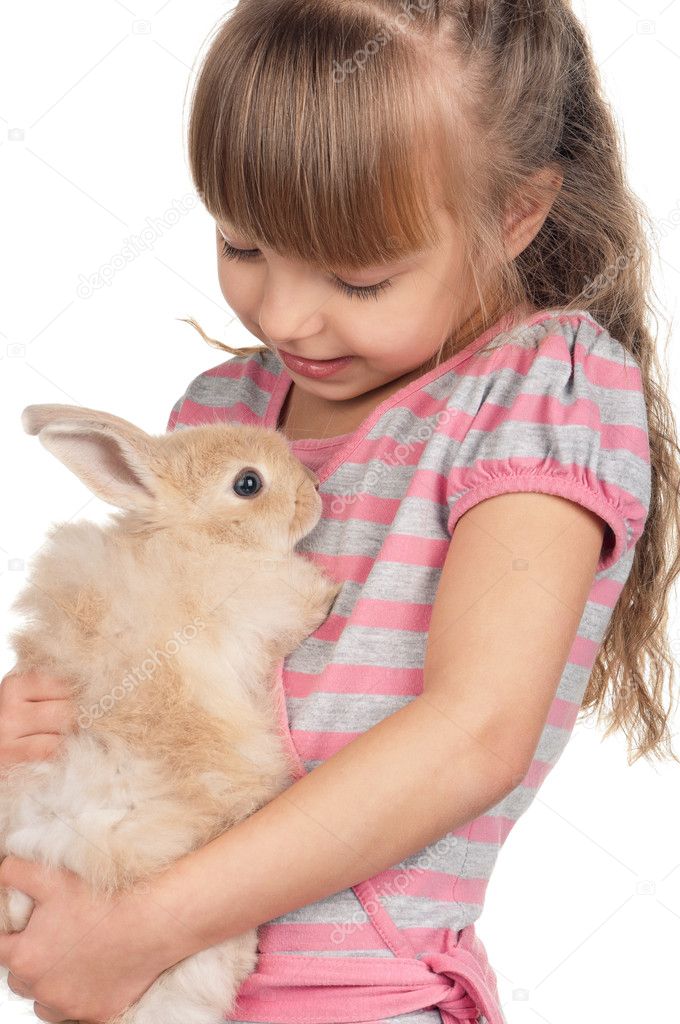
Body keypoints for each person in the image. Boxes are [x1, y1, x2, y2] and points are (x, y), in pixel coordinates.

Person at [1, 2, 679, 1023]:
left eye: (357, 278)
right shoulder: (220, 417)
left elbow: (472, 732)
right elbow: (134, 673)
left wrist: (146, 927)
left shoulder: (538, 392)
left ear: (513, 215)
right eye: (242, 244)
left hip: (355, 998)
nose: (281, 316)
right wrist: (33, 724)